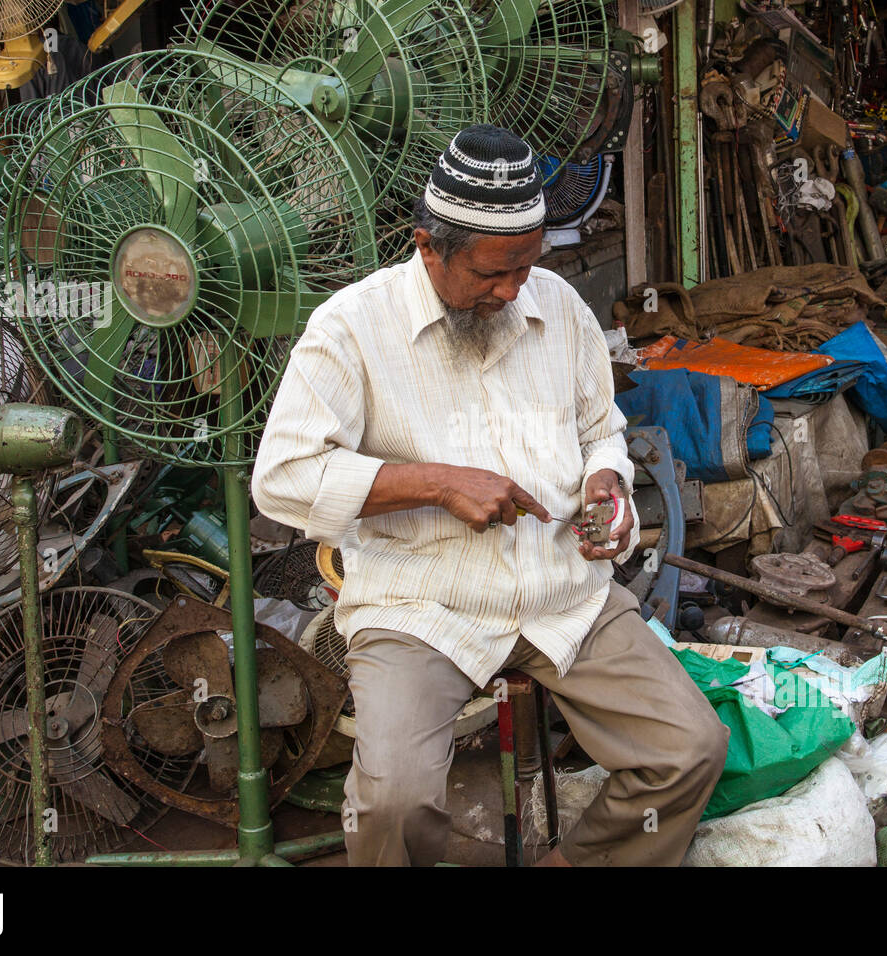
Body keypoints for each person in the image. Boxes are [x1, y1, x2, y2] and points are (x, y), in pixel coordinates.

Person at [252, 124, 727, 866]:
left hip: (561, 588)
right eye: (492, 274)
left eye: (528, 267)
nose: (512, 292)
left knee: (691, 747)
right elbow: (280, 478)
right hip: (422, 604)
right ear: (427, 246)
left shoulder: (558, 306)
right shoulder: (348, 328)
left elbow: (603, 428)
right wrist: (437, 483)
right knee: (395, 800)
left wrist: (608, 482)